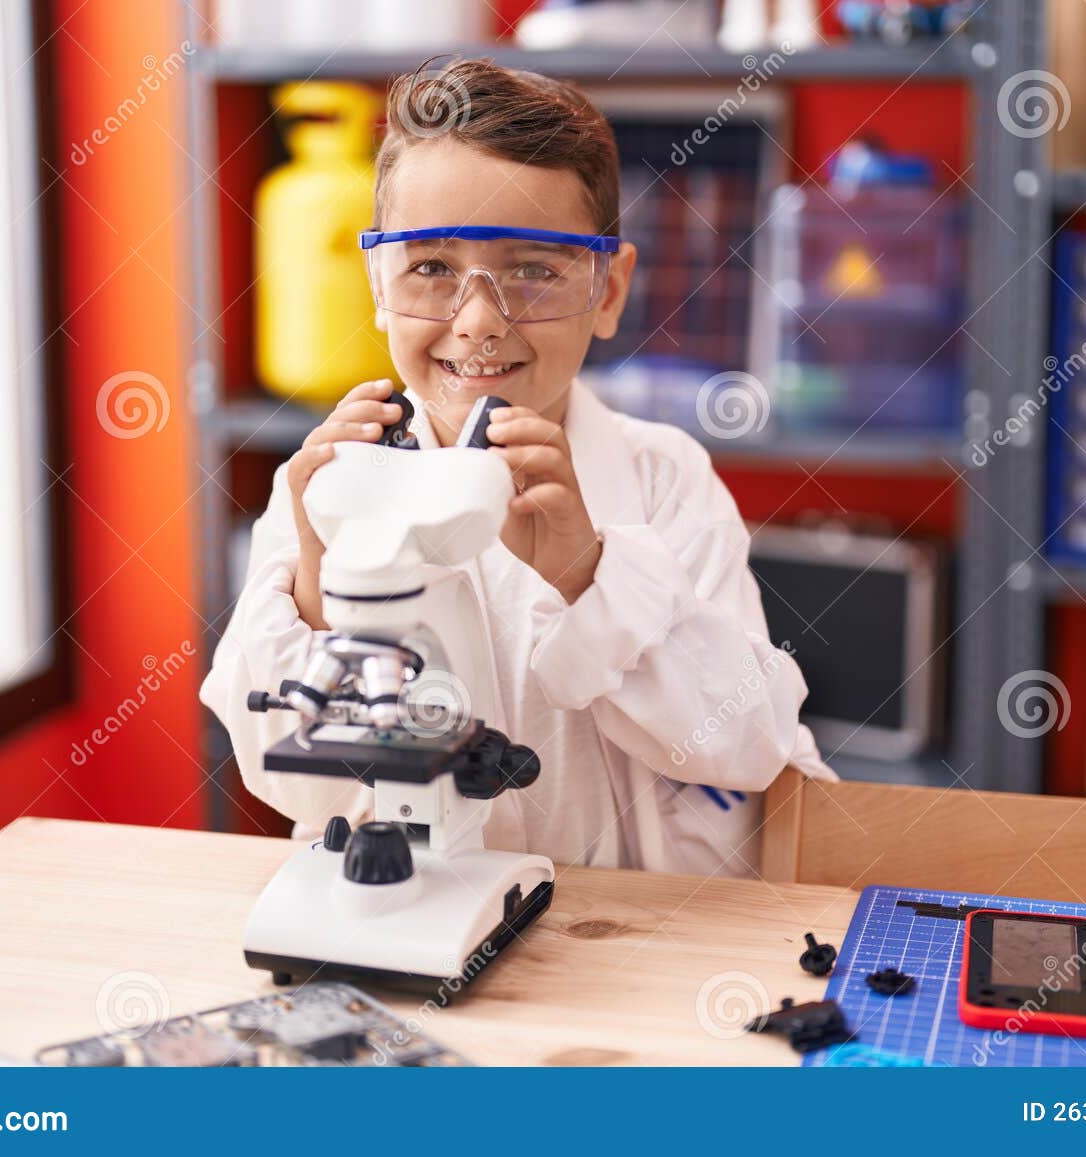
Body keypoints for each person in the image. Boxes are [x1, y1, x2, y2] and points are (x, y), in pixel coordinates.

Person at [200, 58, 831, 877]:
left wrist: (589, 573)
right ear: (379, 285)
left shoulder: (663, 476)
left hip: (626, 936)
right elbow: (283, 769)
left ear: (608, 291)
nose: (479, 322)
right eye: (430, 268)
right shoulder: (324, 484)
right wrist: (318, 581)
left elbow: (747, 746)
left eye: (535, 270)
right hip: (414, 910)